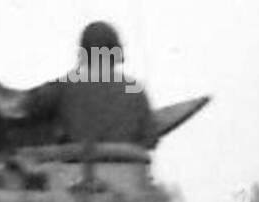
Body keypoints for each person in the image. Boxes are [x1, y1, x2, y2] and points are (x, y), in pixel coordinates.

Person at [16, 20, 157, 148]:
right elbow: (150, 139)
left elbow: (25, 107)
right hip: (125, 173)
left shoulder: (64, 87)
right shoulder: (136, 90)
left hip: (77, 173)